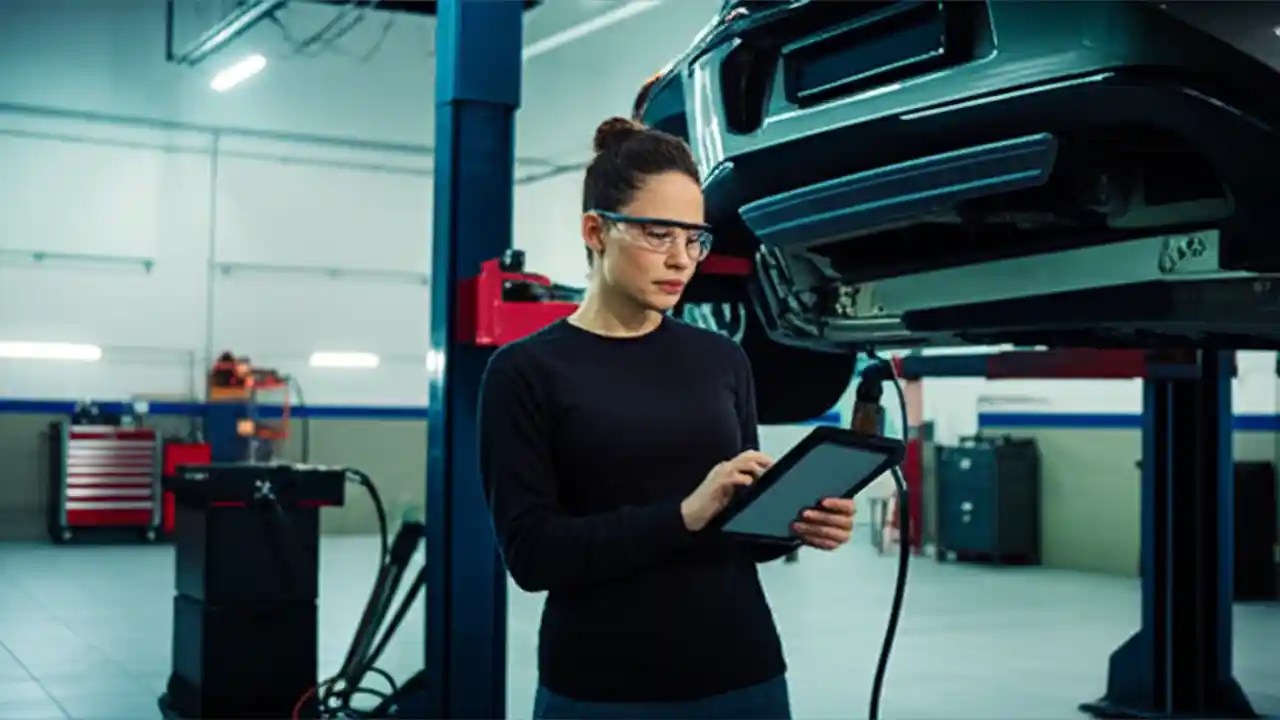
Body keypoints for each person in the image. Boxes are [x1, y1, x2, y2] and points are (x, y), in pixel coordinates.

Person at [477, 116, 857, 720]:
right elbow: (532, 555)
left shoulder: (723, 360)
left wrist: (793, 523)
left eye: (694, 239)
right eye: (659, 234)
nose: (682, 259)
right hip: (604, 686)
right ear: (596, 231)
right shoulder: (524, 372)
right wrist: (682, 515)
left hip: (743, 674)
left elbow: (737, 534)